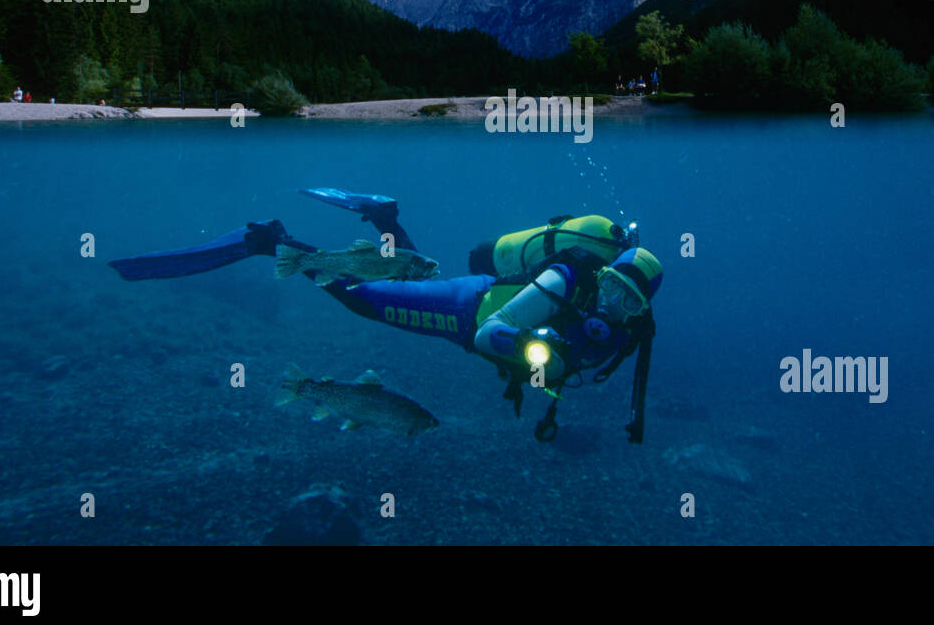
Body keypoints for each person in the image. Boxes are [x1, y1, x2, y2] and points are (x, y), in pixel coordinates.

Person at [108, 188, 663, 443]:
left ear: (643, 310)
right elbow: (497, 333)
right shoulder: (565, 279)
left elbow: (609, 381)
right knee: (362, 298)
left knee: (410, 273)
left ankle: (383, 217)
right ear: (602, 277)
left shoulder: (632, 332)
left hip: (475, 324)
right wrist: (531, 355)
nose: (612, 307)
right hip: (470, 313)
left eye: (628, 303)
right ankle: (271, 242)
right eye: (613, 290)